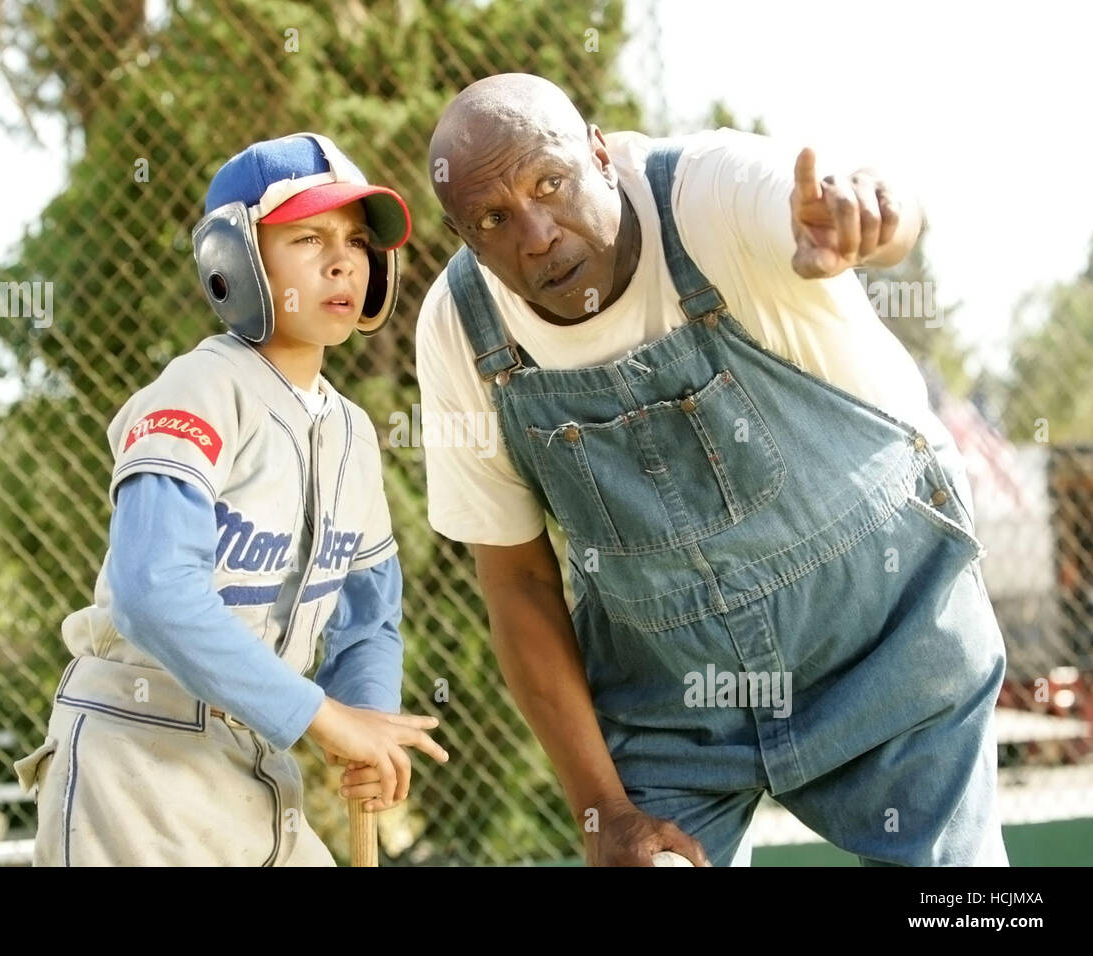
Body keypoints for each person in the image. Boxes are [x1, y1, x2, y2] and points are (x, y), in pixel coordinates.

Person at [416, 73, 1008, 866]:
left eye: (550, 184)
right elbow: (516, 582)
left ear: (599, 153)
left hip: (888, 639)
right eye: (493, 218)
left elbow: (852, 206)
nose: (536, 233)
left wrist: (874, 214)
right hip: (669, 702)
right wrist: (604, 811)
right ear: (466, 240)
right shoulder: (463, 329)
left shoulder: (708, 193)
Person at [15, 132, 448, 867]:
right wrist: (322, 717)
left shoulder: (349, 432)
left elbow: (370, 619)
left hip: (252, 761)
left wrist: (367, 722)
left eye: (356, 240)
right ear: (233, 262)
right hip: (136, 762)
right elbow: (151, 593)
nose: (343, 260)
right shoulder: (200, 389)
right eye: (308, 237)